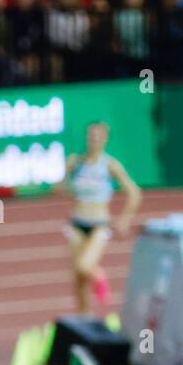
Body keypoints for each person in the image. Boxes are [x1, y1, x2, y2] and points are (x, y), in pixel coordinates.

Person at [56, 121, 141, 319]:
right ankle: (83, 316)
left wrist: (124, 219)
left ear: (105, 140)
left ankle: (99, 275)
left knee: (86, 266)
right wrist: (64, 177)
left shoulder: (110, 165)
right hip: (77, 223)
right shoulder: (76, 162)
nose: (93, 140)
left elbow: (134, 193)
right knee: (77, 277)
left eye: (97, 137)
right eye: (90, 136)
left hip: (99, 225)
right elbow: (58, 189)